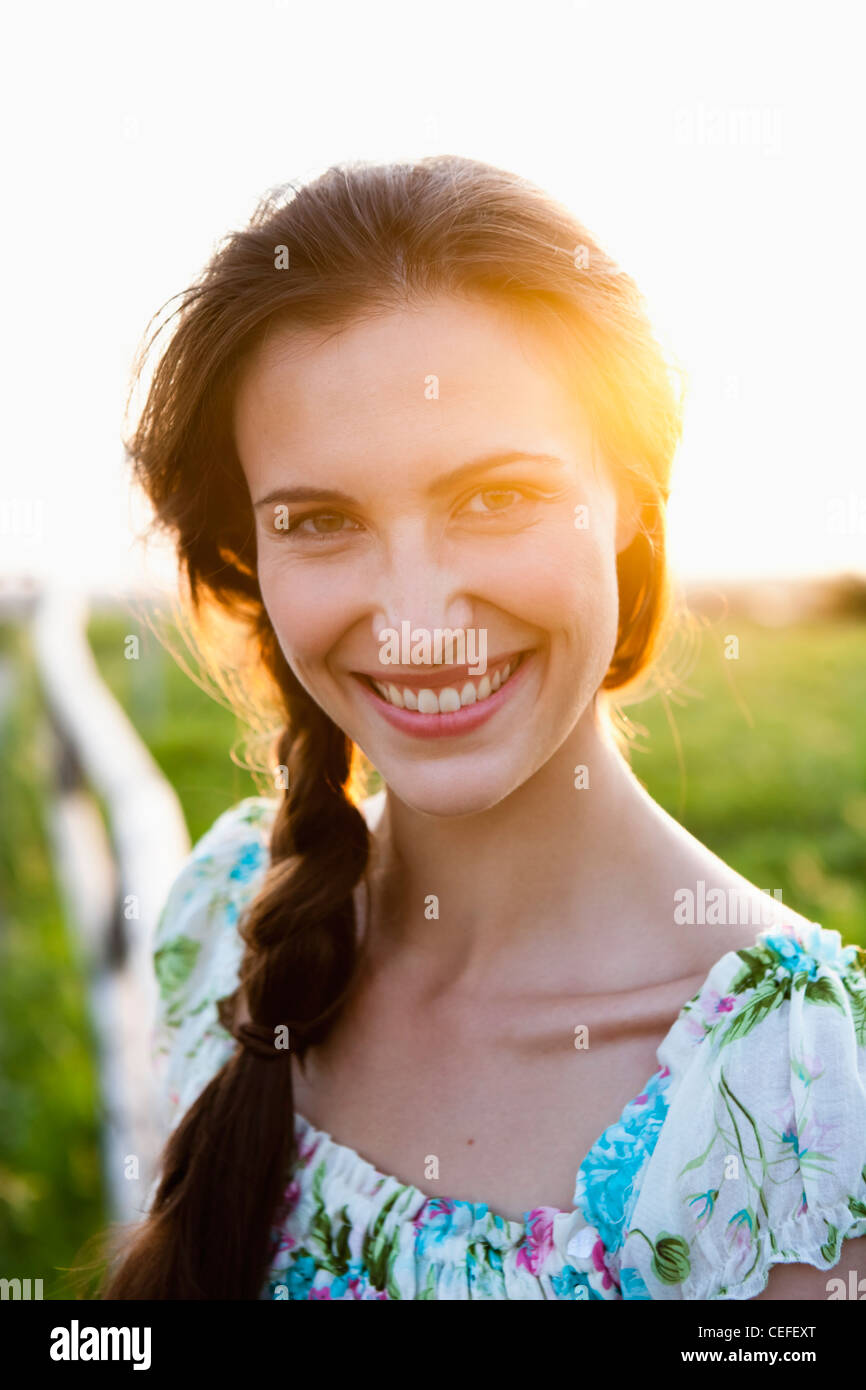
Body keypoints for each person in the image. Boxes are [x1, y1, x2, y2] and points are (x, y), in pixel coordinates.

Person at [99, 155, 866, 1300]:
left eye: (494, 497)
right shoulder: (225, 917)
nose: (413, 624)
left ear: (631, 498)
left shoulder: (788, 1098)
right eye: (319, 518)